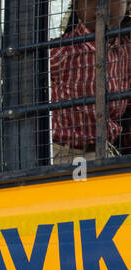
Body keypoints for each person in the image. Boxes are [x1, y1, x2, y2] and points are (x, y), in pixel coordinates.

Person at [51, 0, 131, 163]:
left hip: (106, 152)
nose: (100, 5)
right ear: (76, 5)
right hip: (64, 155)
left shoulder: (125, 50)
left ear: (128, 5)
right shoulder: (62, 50)